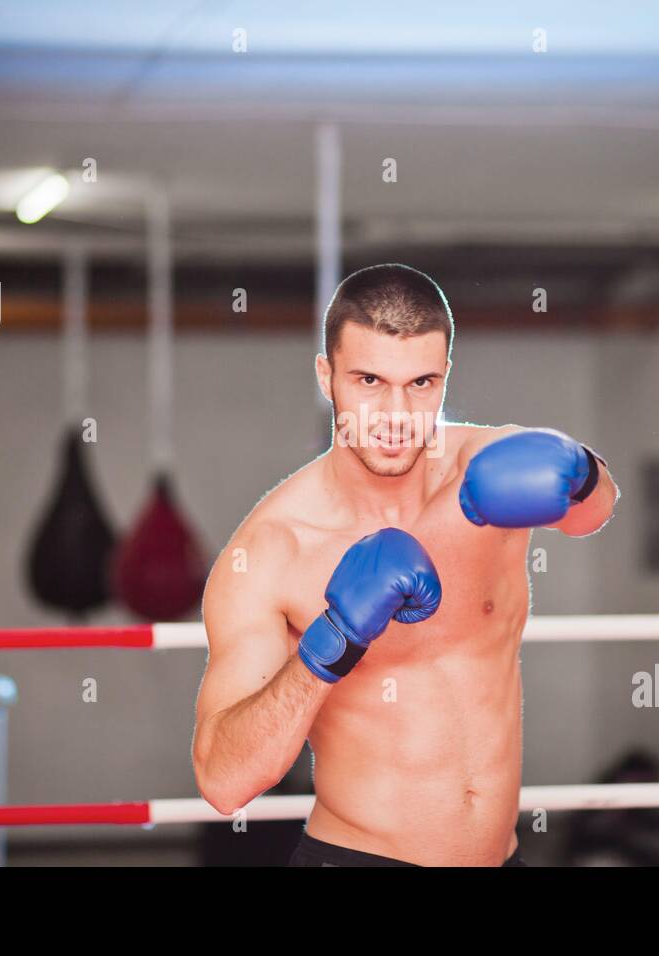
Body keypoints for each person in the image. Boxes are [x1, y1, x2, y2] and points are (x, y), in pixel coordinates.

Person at [192, 263, 617, 866]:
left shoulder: (484, 469)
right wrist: (332, 643)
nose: (396, 414)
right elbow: (223, 780)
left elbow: (594, 511)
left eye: (421, 383)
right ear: (326, 377)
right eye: (369, 380)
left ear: (445, 377)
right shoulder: (273, 551)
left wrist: (580, 469)